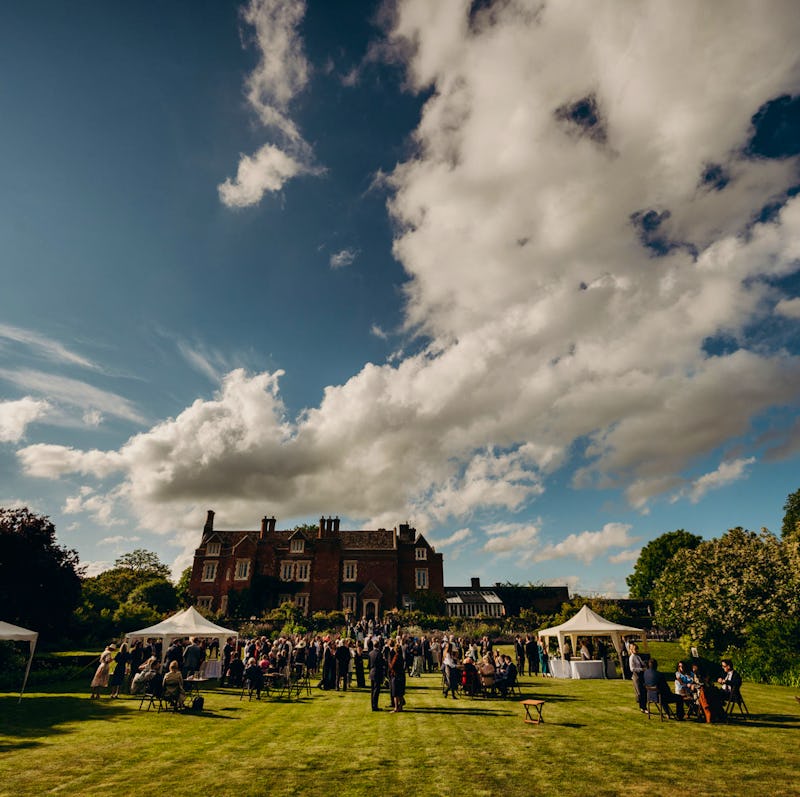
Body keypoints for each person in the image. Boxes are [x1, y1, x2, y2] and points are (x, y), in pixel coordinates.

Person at [368, 640, 386, 711]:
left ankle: (373, 705)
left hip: (372, 672)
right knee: (376, 690)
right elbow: (381, 664)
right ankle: (375, 706)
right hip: (377, 673)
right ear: (378, 646)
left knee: (372, 690)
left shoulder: (370, 653)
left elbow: (369, 664)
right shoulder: (379, 654)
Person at [628, 642, 647, 712]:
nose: (637, 651)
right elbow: (632, 669)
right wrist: (641, 669)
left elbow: (642, 663)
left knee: (644, 691)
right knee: (639, 692)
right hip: (636, 676)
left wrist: (645, 665)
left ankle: (644, 706)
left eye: (637, 649)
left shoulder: (638, 657)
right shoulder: (631, 657)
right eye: (635, 649)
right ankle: (642, 707)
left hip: (642, 675)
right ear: (632, 650)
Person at [389, 642, 406, 712]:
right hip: (401, 675)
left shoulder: (396, 656)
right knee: (401, 693)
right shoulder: (401, 656)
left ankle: (396, 708)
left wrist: (389, 664)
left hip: (396, 676)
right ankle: (401, 707)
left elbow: (392, 666)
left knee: (395, 693)